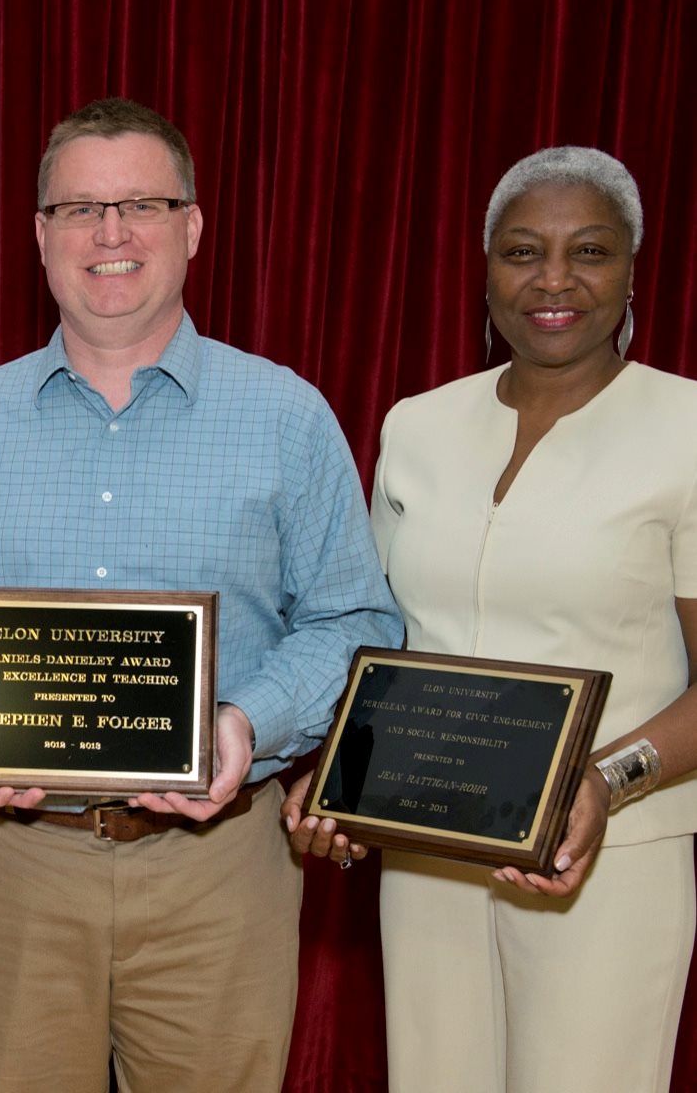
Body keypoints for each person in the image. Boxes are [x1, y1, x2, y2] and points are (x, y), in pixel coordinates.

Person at [0, 96, 402, 1092]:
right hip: (12, 859)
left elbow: (353, 621)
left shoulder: (284, 417)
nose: (109, 235)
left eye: (140, 205)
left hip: (219, 870)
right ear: (39, 235)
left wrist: (246, 724)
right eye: (77, 210)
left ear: (191, 226)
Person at [284, 146, 697, 1092]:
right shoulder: (417, 426)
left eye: (588, 251)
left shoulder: (688, 430)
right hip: (430, 846)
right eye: (522, 251)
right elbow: (379, 639)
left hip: (605, 854)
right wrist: (338, 774)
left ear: (633, 267)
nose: (554, 280)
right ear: (485, 269)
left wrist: (603, 781)